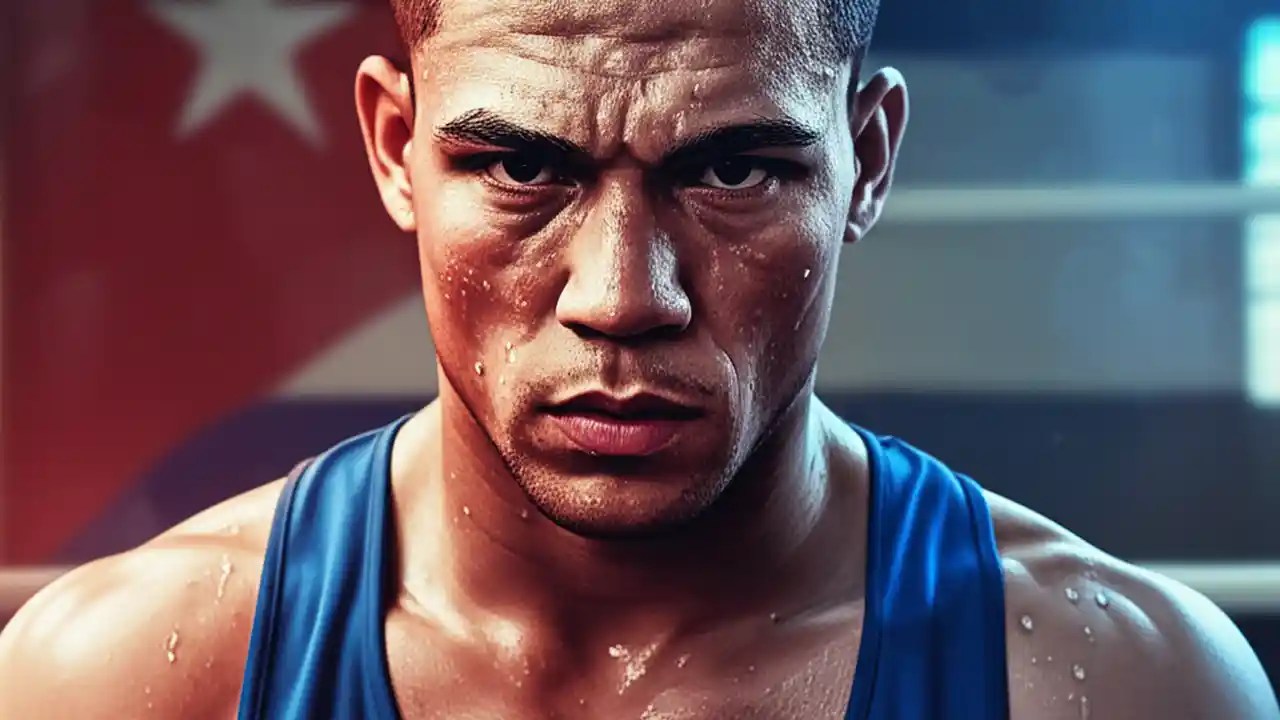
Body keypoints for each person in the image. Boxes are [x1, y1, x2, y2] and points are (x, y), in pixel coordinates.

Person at [2, 0, 1276, 716]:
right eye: (519, 167)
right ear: (396, 148)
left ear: (865, 161)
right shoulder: (122, 678)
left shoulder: (1123, 686)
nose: (622, 297)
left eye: (730, 169)